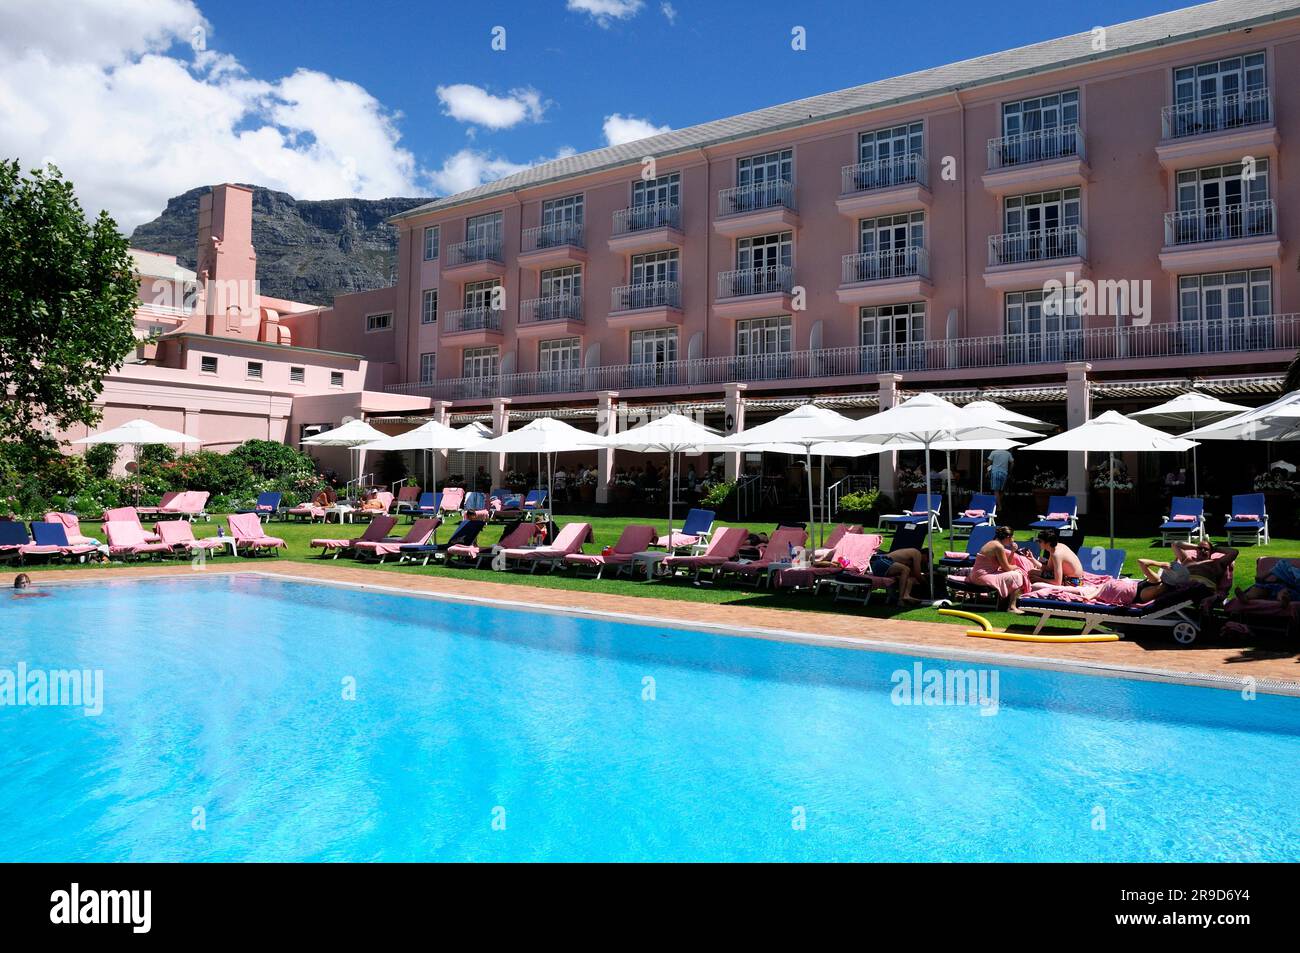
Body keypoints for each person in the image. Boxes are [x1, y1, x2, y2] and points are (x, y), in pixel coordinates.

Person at [969, 525, 1032, 612]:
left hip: (978, 575)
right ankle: (1011, 607)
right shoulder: (998, 547)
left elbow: (1006, 564)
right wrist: (1017, 567)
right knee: (1017, 575)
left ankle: (1004, 602)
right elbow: (1007, 568)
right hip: (982, 577)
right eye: (1012, 537)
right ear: (1008, 537)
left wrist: (1013, 551)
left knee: (1016, 573)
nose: (1013, 539)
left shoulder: (993, 543)